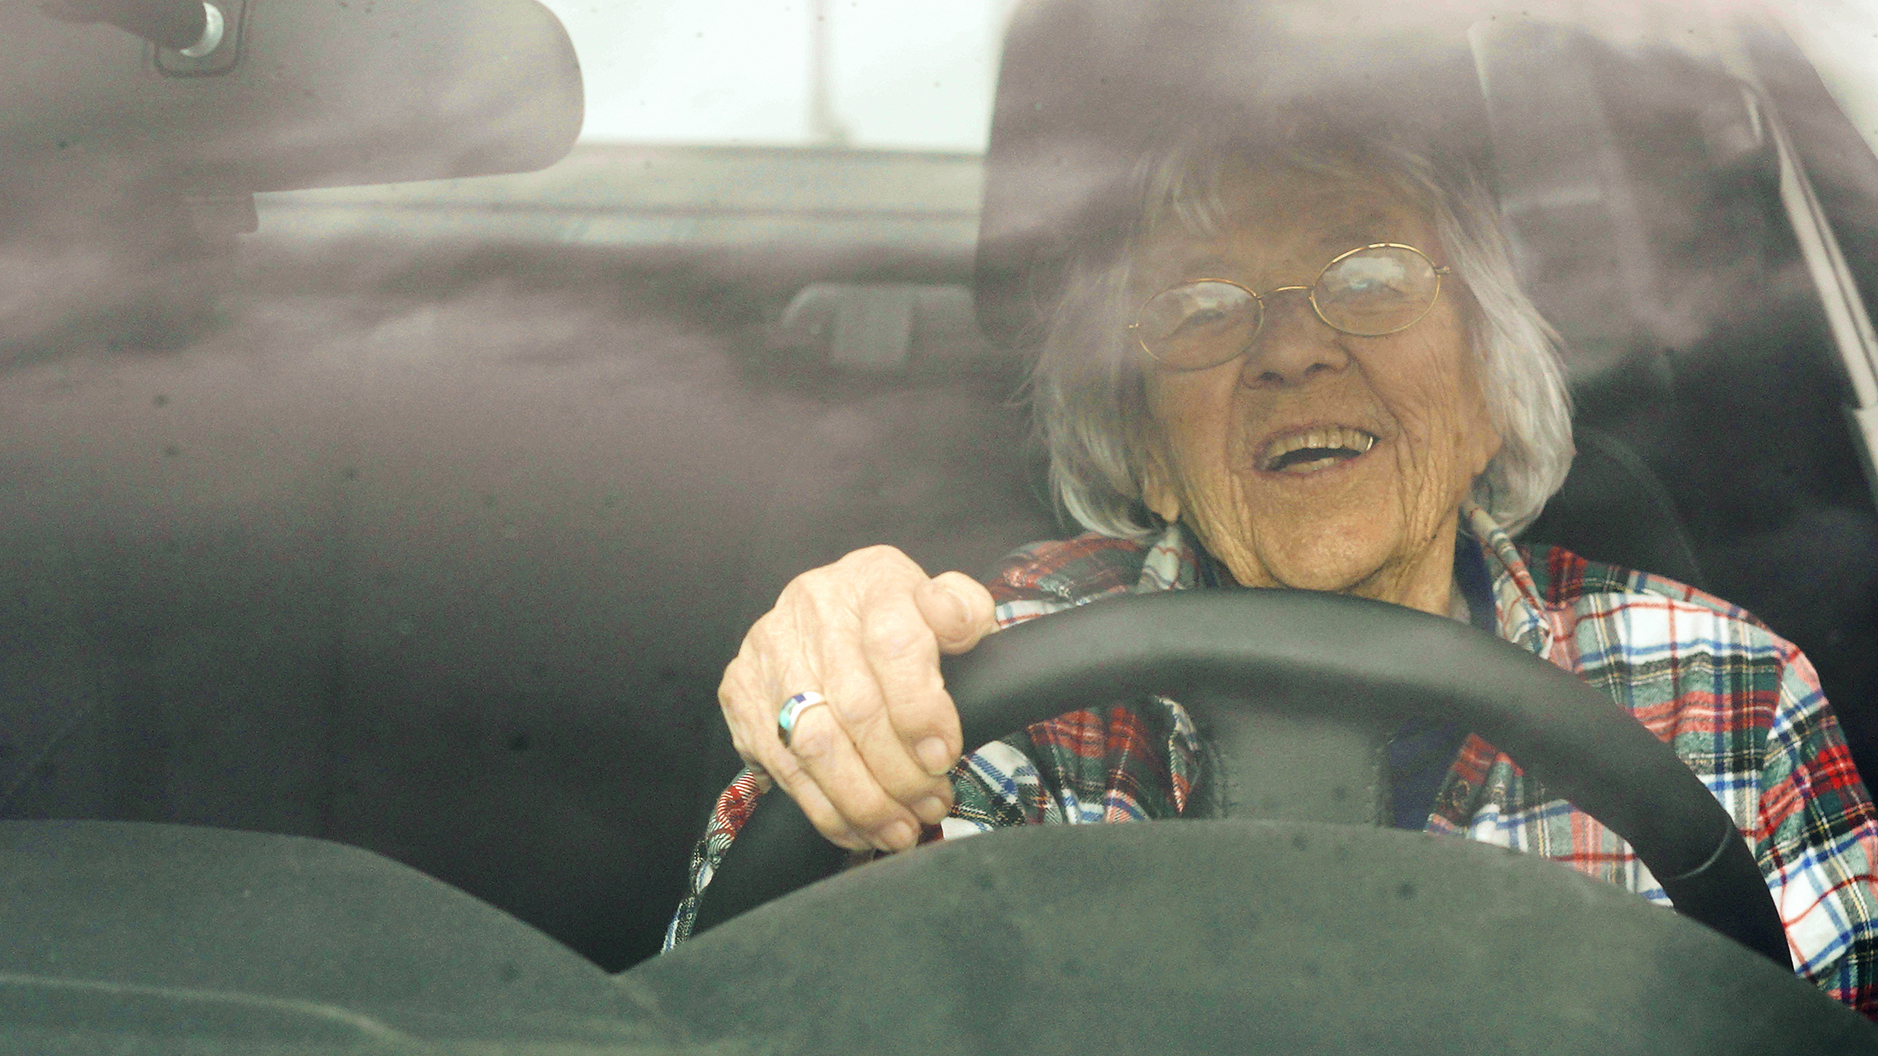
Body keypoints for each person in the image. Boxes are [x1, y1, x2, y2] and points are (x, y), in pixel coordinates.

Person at [663, 119, 1878, 1017]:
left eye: (1371, 279)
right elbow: (721, 1014)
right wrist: (844, 724)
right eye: (1202, 307)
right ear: (1149, 450)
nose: (1292, 350)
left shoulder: (1728, 691)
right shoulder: (985, 675)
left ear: (1489, 390)